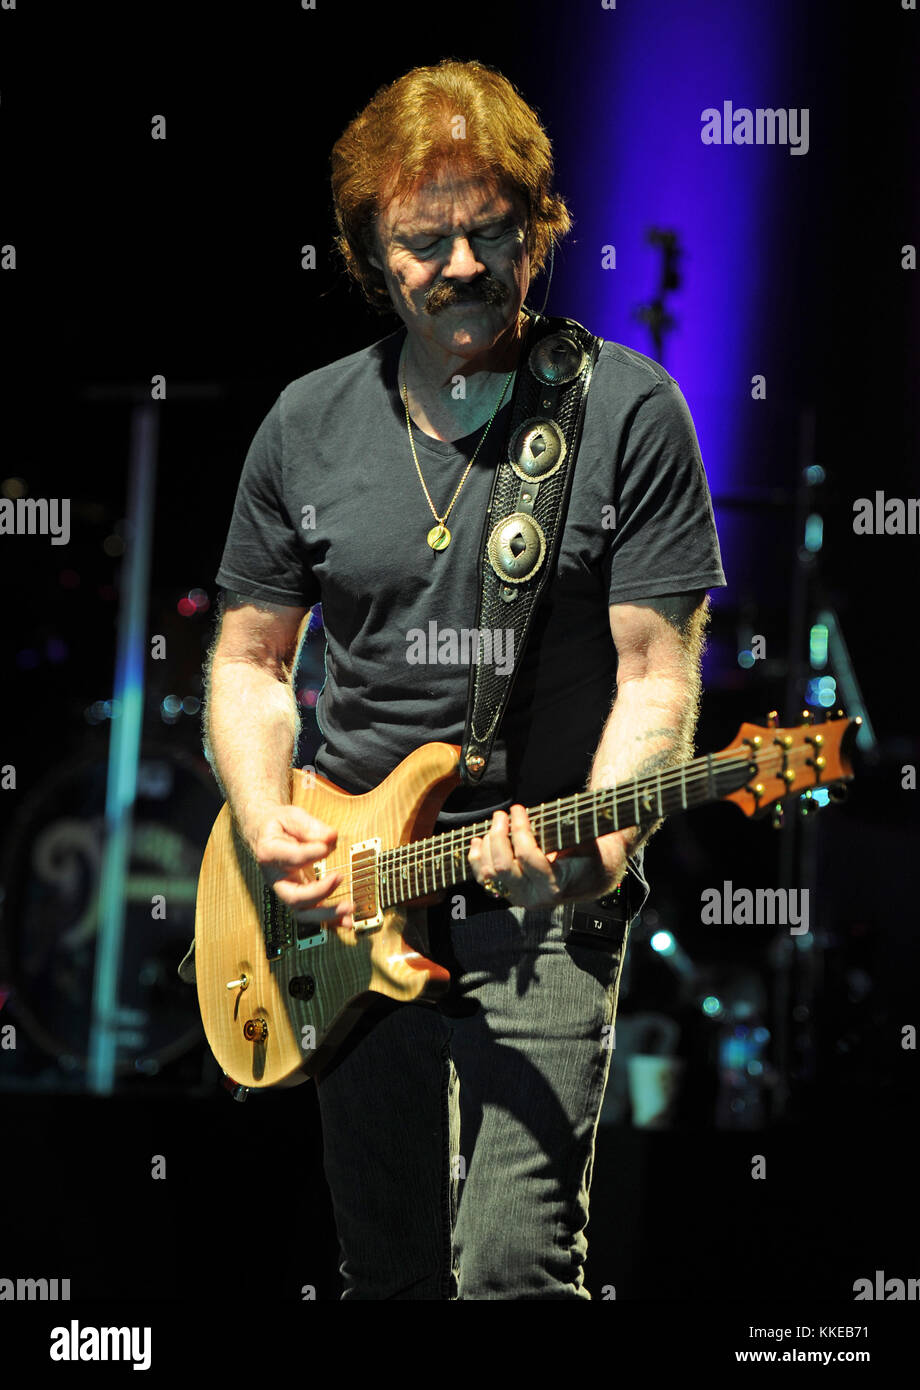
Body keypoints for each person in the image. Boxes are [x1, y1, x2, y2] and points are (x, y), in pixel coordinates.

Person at [202, 58, 726, 1299]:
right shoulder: (306, 424)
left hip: (543, 884)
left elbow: (656, 679)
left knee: (509, 1267)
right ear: (368, 255)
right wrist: (266, 813)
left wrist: (591, 850)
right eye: (420, 240)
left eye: (489, 230)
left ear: (538, 228)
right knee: (386, 1270)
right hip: (340, 888)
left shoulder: (627, 415)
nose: (458, 266)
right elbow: (248, 660)